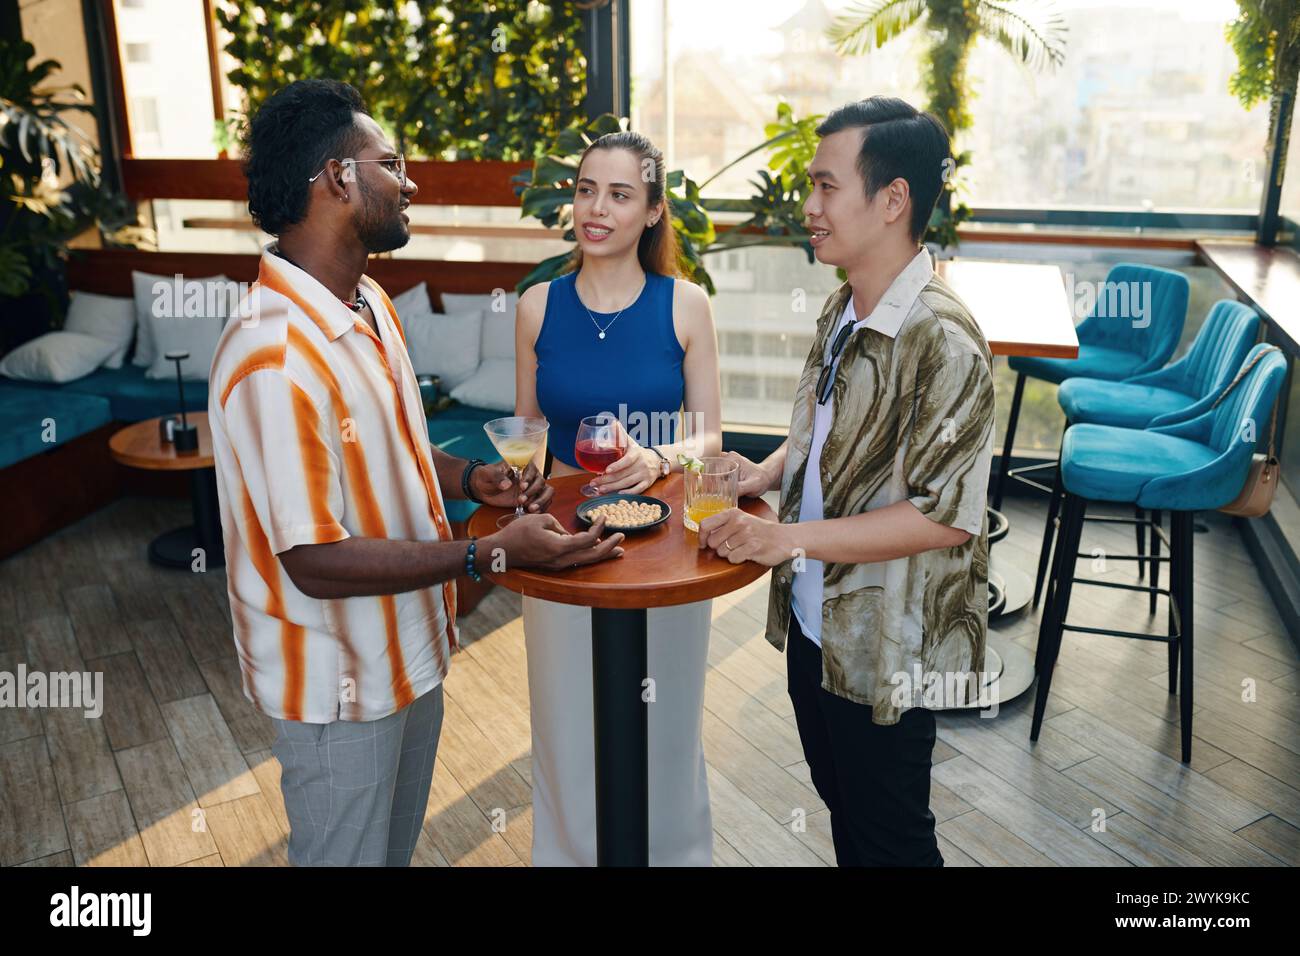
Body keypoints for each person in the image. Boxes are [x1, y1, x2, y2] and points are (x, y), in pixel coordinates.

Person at [207, 79, 624, 867]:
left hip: (411, 655)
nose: (411, 180)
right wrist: (489, 555)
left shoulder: (366, 301)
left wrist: (472, 482)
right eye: (391, 162)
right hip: (340, 687)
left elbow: (391, 450)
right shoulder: (274, 356)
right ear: (338, 179)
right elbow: (315, 561)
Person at [697, 97, 995, 867]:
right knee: (849, 814)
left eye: (827, 187)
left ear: (893, 200)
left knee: (891, 837)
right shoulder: (844, 305)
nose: (810, 207)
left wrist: (783, 536)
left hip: (885, 644)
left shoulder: (944, 340)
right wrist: (758, 473)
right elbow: (821, 434)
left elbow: (945, 517)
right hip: (816, 623)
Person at [513, 130, 723, 865]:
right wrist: (522, 494)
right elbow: (528, 433)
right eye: (585, 190)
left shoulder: (687, 305)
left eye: (620, 194)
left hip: (665, 547)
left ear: (654, 211)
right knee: (566, 717)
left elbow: (711, 440)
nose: (596, 209)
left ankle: (672, 855)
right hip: (562, 544)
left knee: (664, 719)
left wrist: (660, 454)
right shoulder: (537, 306)